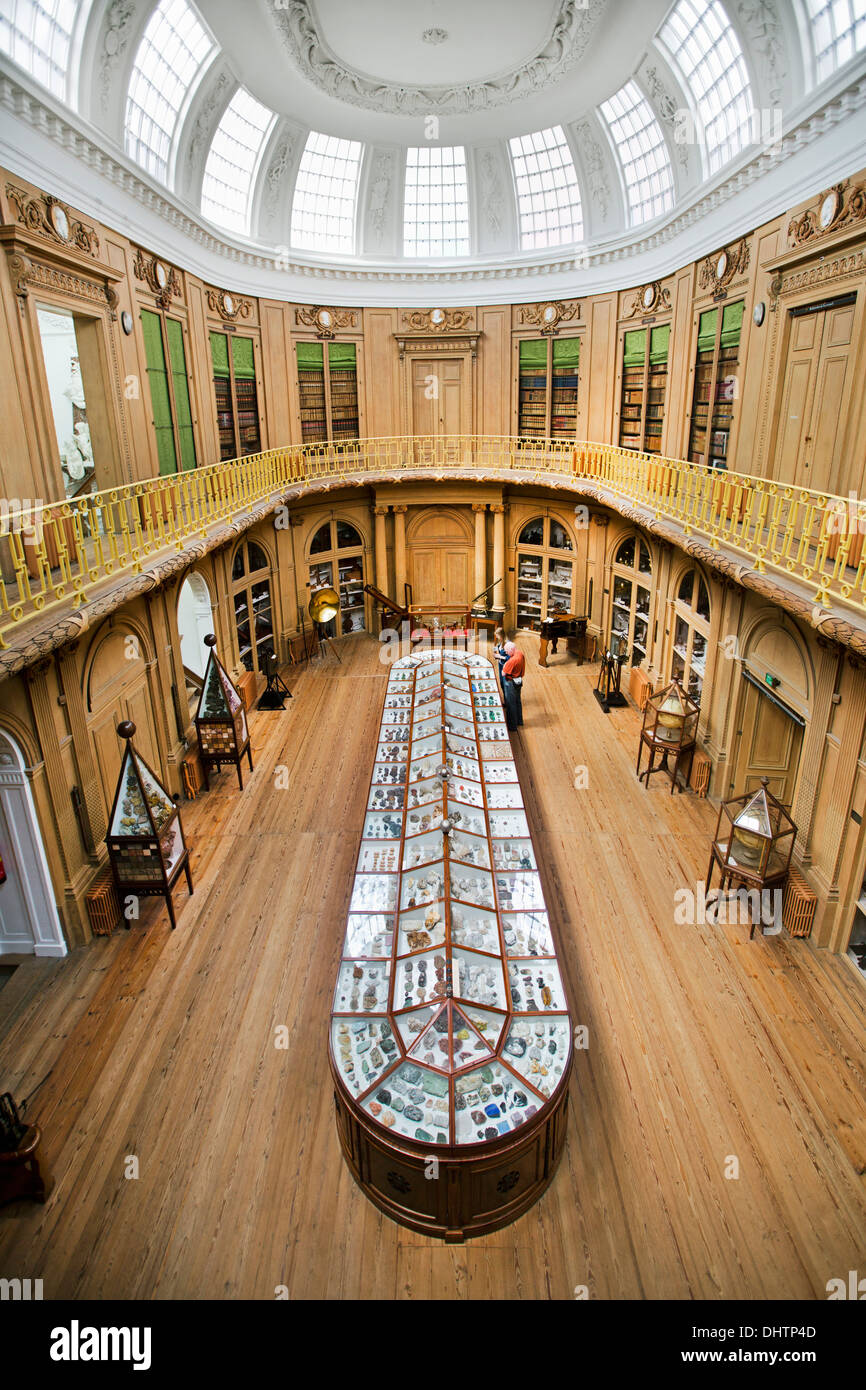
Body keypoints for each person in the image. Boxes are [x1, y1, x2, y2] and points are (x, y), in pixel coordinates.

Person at [501, 640, 526, 731]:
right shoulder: (520, 653)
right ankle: (519, 721)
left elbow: (503, 673)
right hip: (518, 681)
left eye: (507, 651)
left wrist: (505, 666)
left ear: (511, 649)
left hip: (510, 682)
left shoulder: (513, 660)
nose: (506, 653)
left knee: (510, 704)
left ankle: (512, 727)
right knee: (517, 701)